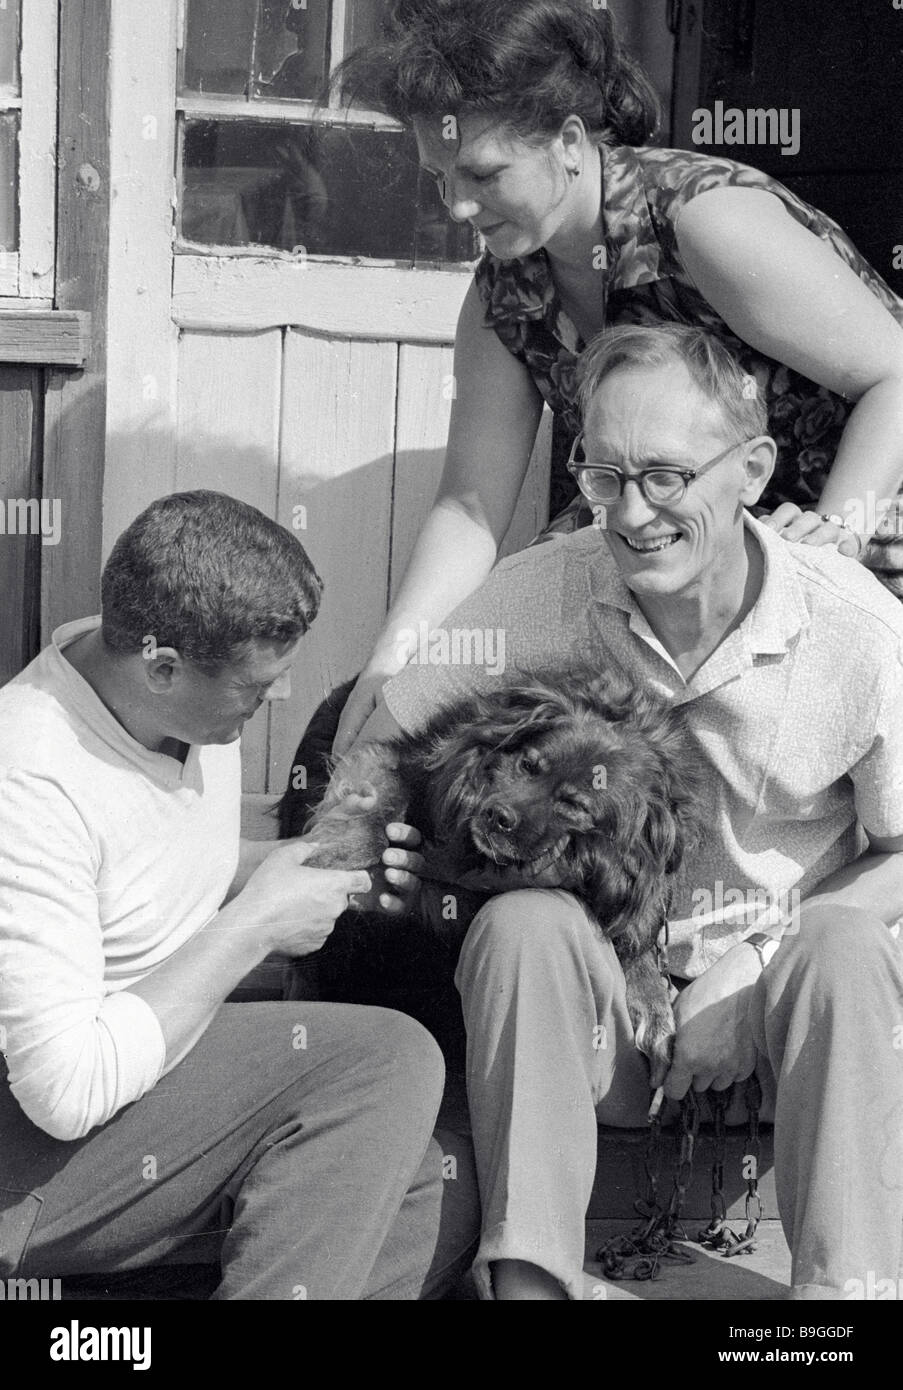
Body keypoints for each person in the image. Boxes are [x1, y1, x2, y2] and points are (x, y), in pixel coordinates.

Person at [353, 323, 903, 1301]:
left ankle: (845, 1299)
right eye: (603, 476)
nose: (631, 512)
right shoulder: (542, 593)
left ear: (753, 467)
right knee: (521, 924)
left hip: (787, 1033)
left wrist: (758, 963)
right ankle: (532, 1280)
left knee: (848, 947)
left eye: (664, 477)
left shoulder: (857, 628)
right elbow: (381, 749)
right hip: (604, 1025)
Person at [330, 0, 903, 754]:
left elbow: (893, 374)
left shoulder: (704, 221)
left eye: (482, 174)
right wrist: (395, 657)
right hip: (682, 537)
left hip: (856, 516)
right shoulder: (504, 292)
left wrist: (833, 541)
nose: (457, 206)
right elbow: (471, 507)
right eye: (438, 179)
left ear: (568, 141)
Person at [0, 490, 478, 1300]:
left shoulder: (170, 710)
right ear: (161, 666)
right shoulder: (28, 774)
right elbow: (63, 1087)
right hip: (27, 1160)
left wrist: (319, 871)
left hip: (138, 1098)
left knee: (424, 1191)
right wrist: (256, 928)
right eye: (252, 693)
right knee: (385, 1061)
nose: (267, 708)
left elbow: (153, 877)